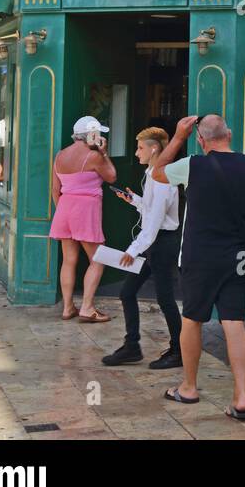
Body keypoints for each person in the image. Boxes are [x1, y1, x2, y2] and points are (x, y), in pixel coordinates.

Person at [152, 114, 245, 421]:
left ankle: (189, 387)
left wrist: (177, 137)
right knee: (234, 321)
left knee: (192, 320)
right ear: (229, 134)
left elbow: (156, 173)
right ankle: (241, 397)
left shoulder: (192, 164)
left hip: (198, 256)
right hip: (238, 255)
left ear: (201, 141)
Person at [102, 127, 183, 369]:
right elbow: (151, 213)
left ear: (154, 148)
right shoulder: (152, 175)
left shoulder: (161, 181)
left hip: (161, 243)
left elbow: (154, 225)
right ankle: (132, 346)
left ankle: (178, 351)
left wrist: (132, 250)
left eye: (139, 148)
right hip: (155, 242)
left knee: (166, 299)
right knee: (128, 293)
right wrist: (135, 200)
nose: (136, 153)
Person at [49, 116, 118, 322]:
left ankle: (68, 307)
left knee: (69, 260)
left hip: (64, 208)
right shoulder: (94, 156)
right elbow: (112, 176)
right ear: (91, 134)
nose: (101, 137)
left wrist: (62, 210)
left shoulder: (60, 155)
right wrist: (105, 153)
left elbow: (55, 189)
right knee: (98, 258)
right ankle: (87, 308)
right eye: (98, 134)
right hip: (85, 210)